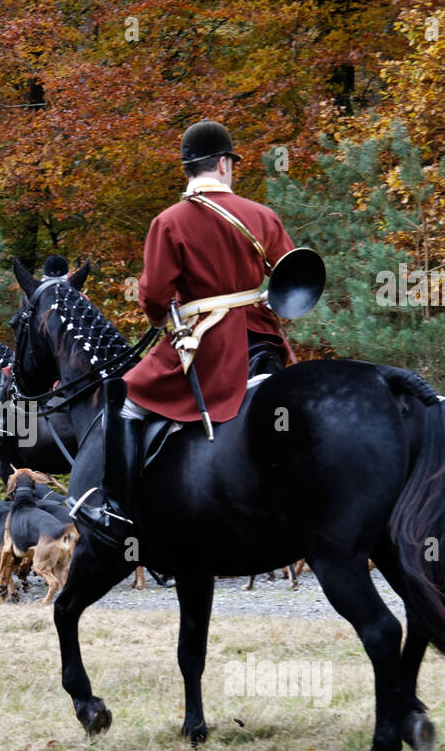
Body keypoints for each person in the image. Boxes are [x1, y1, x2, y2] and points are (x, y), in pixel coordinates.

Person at [85, 120, 297, 541]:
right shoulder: (263, 216)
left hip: (207, 345)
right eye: (231, 164)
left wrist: (161, 319)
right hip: (262, 338)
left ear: (189, 169)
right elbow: (292, 275)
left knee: (126, 399)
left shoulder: (169, 222)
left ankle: (117, 512)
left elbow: (155, 296)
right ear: (222, 164)